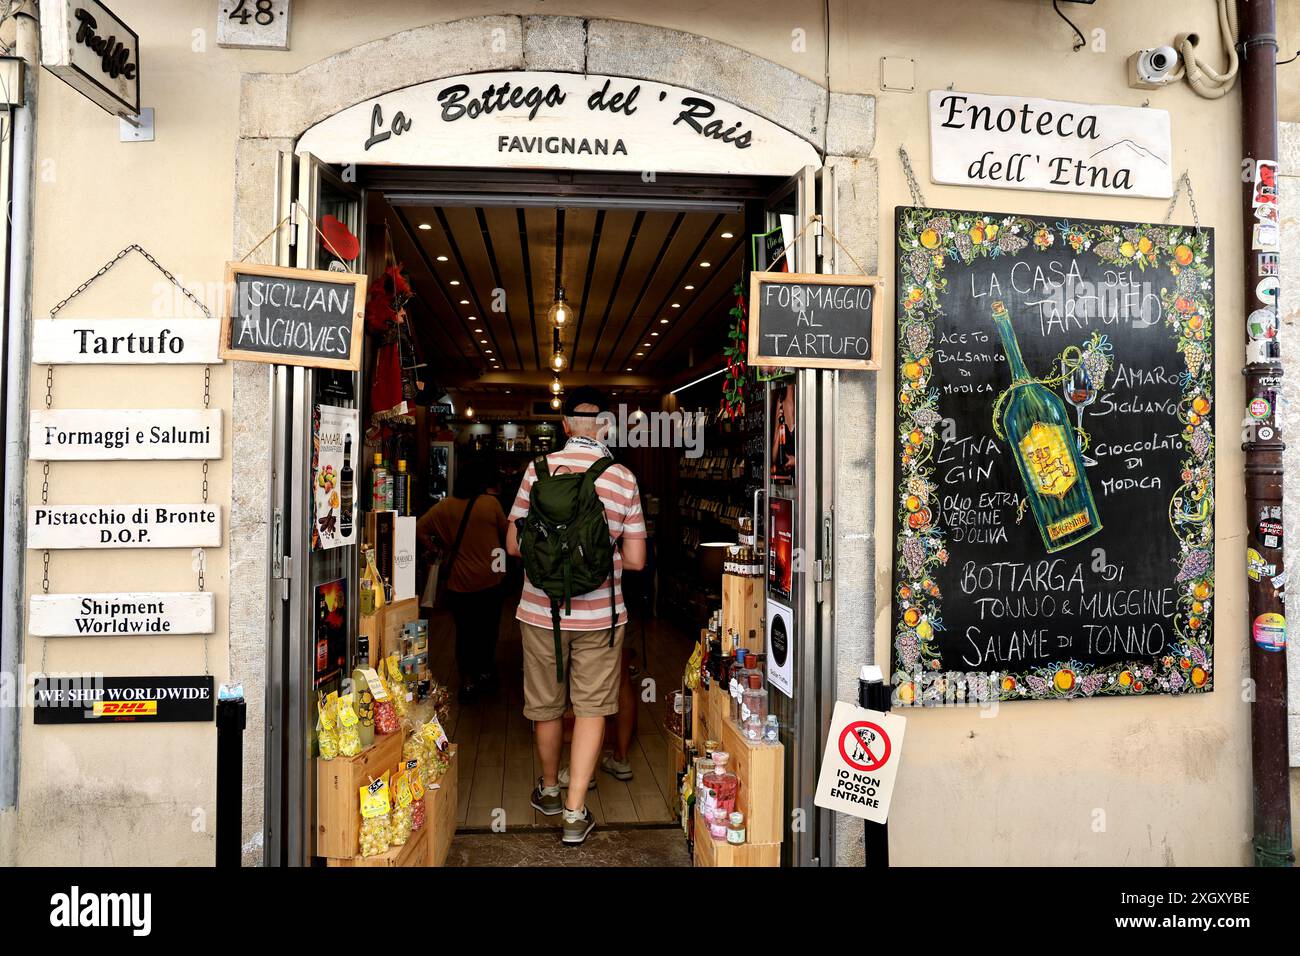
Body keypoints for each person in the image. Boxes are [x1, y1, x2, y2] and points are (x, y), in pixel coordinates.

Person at [507, 386, 646, 845]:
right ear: (605, 425)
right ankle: (574, 812)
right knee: (591, 709)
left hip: (539, 611)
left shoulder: (537, 469)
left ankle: (548, 789)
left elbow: (513, 546)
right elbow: (638, 559)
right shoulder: (622, 477)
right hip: (601, 617)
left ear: (565, 426)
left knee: (546, 705)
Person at [417, 459, 508, 703]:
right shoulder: (491, 504)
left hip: (460, 582)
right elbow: (506, 534)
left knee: (465, 633)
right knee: (488, 631)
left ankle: (467, 682)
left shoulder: (444, 507)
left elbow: (419, 528)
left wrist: (437, 549)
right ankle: (485, 674)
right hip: (492, 579)